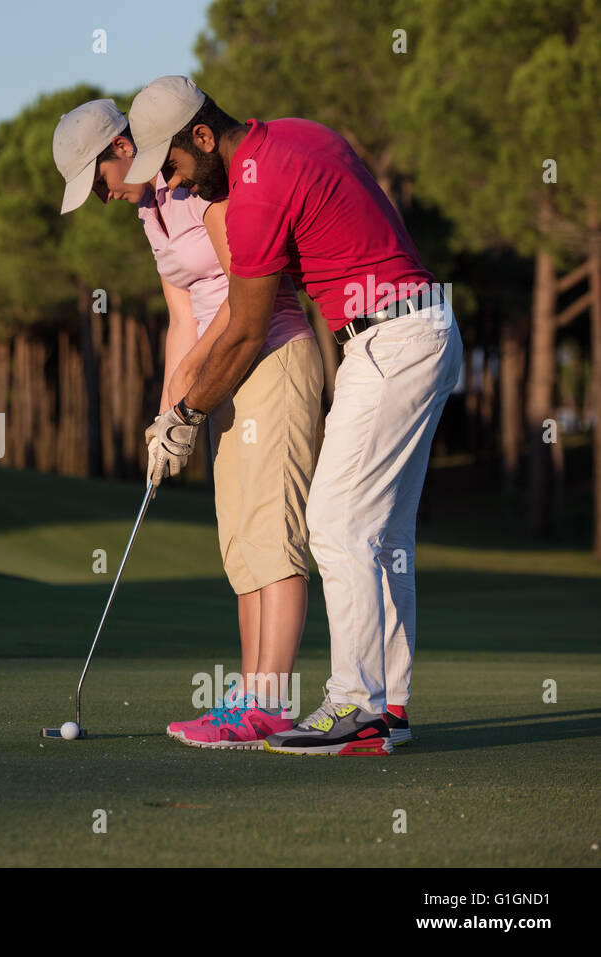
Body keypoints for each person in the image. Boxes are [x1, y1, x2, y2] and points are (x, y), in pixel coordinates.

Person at [125, 75, 463, 755]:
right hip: (425, 326)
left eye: (175, 168)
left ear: (200, 135)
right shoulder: (300, 133)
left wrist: (186, 411)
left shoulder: (252, 195)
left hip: (390, 340)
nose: (179, 186)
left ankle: (356, 707)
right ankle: (389, 706)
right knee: (385, 532)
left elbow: (247, 330)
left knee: (335, 521)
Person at [53, 97, 323, 748]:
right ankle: (250, 700)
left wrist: (187, 403)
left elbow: (241, 300)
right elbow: (184, 320)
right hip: (224, 375)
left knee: (274, 536)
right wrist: (165, 414)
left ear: (121, 150)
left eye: (95, 183)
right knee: (240, 544)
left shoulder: (197, 187)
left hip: (274, 357)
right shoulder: (151, 211)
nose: (99, 198)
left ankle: (271, 702)